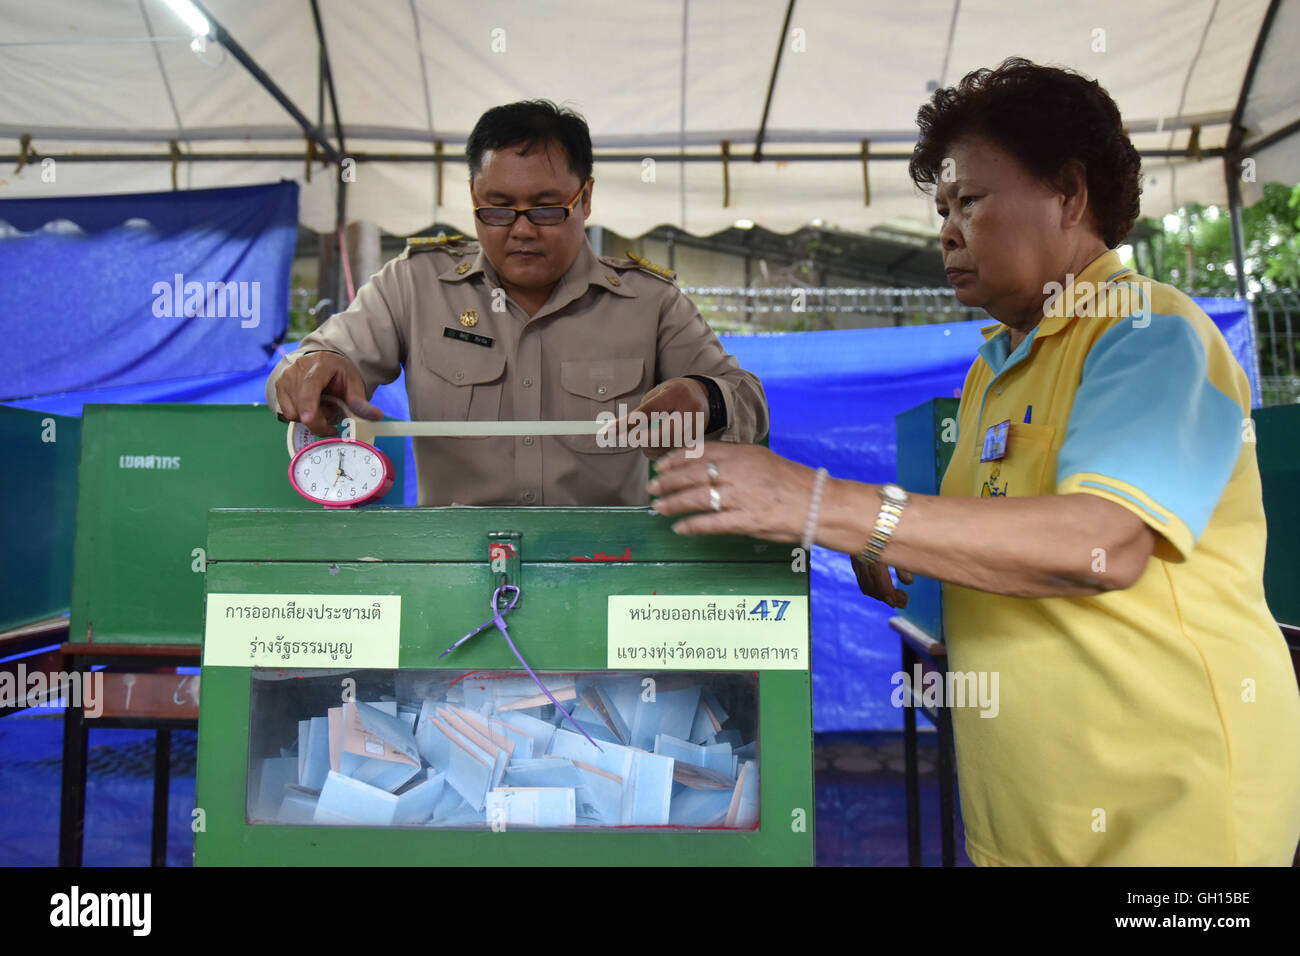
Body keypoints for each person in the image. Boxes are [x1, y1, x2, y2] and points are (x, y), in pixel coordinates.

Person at [647, 58, 1300, 866]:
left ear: (1068, 192)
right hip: (1033, 825)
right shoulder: (996, 367)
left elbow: (1104, 543)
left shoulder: (1149, 337)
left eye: (971, 202)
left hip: (1168, 826)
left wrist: (826, 504)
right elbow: (1008, 530)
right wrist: (886, 543)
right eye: (942, 208)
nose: (948, 230)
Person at [267, 100, 768, 506]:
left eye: (547, 209)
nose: (523, 230)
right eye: (498, 209)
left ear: (586, 198)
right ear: (473, 196)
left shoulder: (650, 301)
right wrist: (315, 367)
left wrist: (706, 397)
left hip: (607, 569)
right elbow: (313, 363)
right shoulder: (415, 285)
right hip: (451, 573)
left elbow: (749, 401)